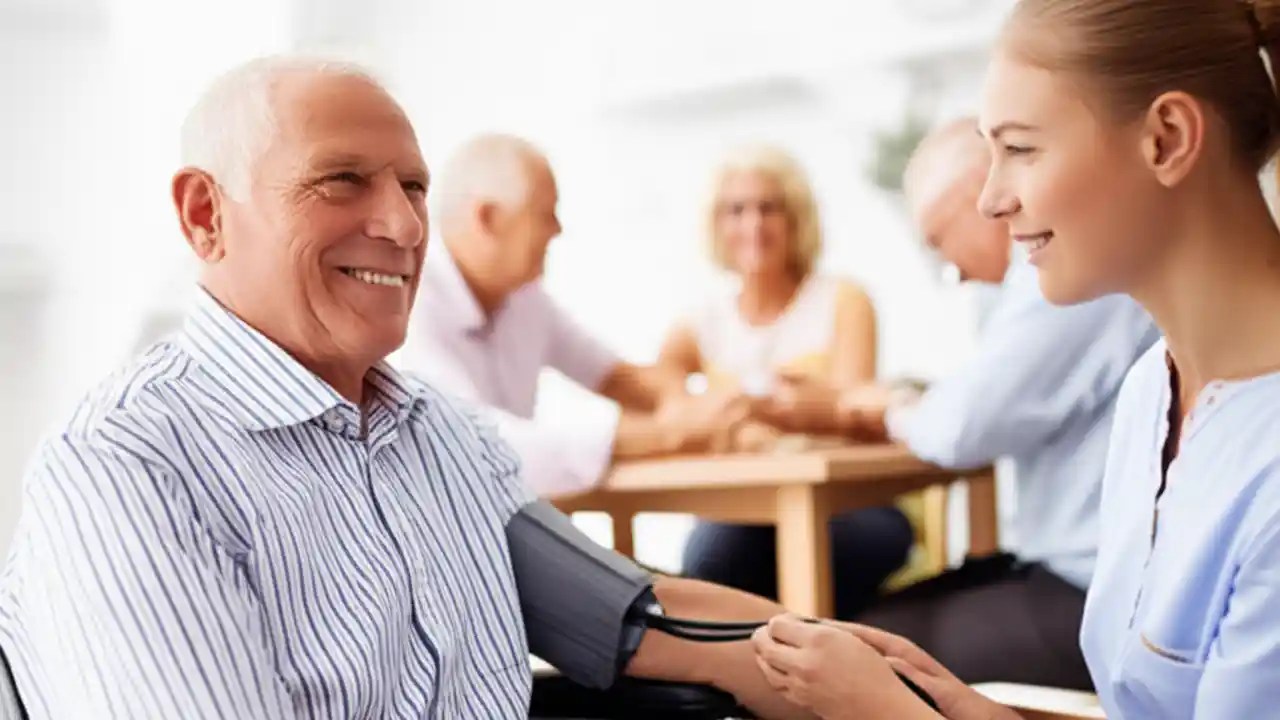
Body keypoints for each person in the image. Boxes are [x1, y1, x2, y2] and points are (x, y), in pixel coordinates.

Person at [0, 57, 809, 720]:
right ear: (205, 214)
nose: (406, 225)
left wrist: (839, 656)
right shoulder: (124, 465)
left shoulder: (442, 434)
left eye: (414, 188)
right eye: (342, 180)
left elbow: (625, 613)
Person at [753, 0, 1280, 717]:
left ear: (1167, 138)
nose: (994, 199)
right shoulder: (1149, 397)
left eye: (1021, 149)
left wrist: (895, 711)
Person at [759, 117, 1157, 690]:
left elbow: (963, 425)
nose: (958, 273)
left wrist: (873, 408)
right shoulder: (1042, 280)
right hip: (1072, 574)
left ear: (979, 197)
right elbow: (977, 402)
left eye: (940, 241)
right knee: (841, 632)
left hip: (1096, 597)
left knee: (847, 654)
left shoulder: (1073, 271)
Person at [403, 134, 767, 499]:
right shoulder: (410, 307)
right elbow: (484, 445)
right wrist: (671, 431)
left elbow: (617, 377)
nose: (557, 230)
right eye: (546, 214)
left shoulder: (524, 299)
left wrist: (698, 405)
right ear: (489, 217)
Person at [657, 145, 915, 620]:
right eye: (736, 210)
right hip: (744, 514)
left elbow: (853, 415)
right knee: (713, 553)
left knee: (767, 557)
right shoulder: (699, 322)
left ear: (796, 218)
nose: (753, 225)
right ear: (717, 225)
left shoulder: (842, 300)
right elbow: (657, 404)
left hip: (845, 509)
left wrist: (740, 419)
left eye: (768, 208)